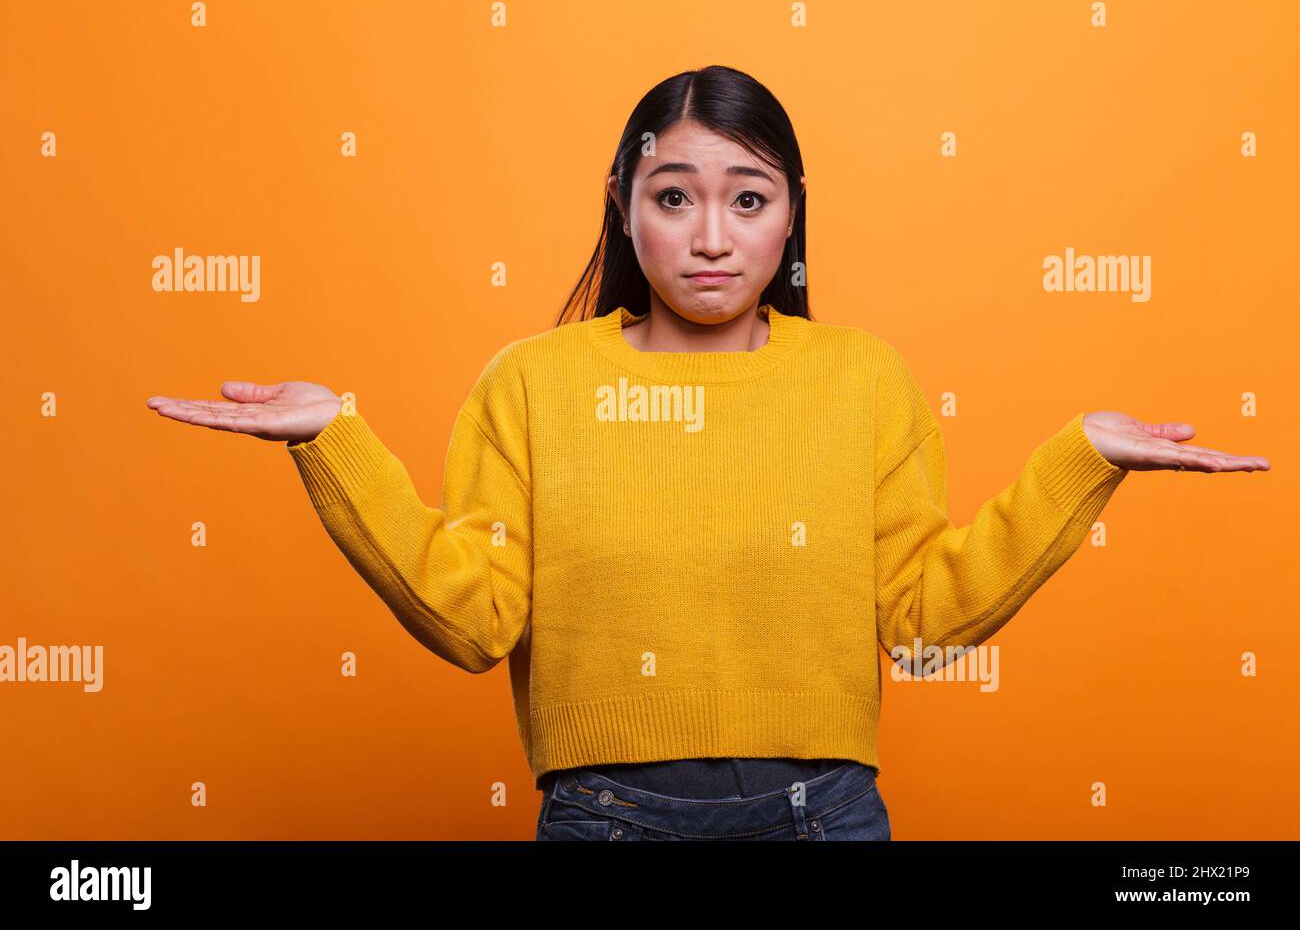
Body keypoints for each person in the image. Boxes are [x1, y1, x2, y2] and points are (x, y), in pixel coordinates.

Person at [145, 65, 1270, 841]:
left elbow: (923, 623)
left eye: (748, 197)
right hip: (603, 819)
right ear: (624, 209)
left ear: (790, 218)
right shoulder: (533, 381)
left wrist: (1081, 458)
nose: (712, 235)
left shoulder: (860, 377)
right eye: (673, 196)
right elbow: (470, 620)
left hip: (821, 813)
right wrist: (332, 441)